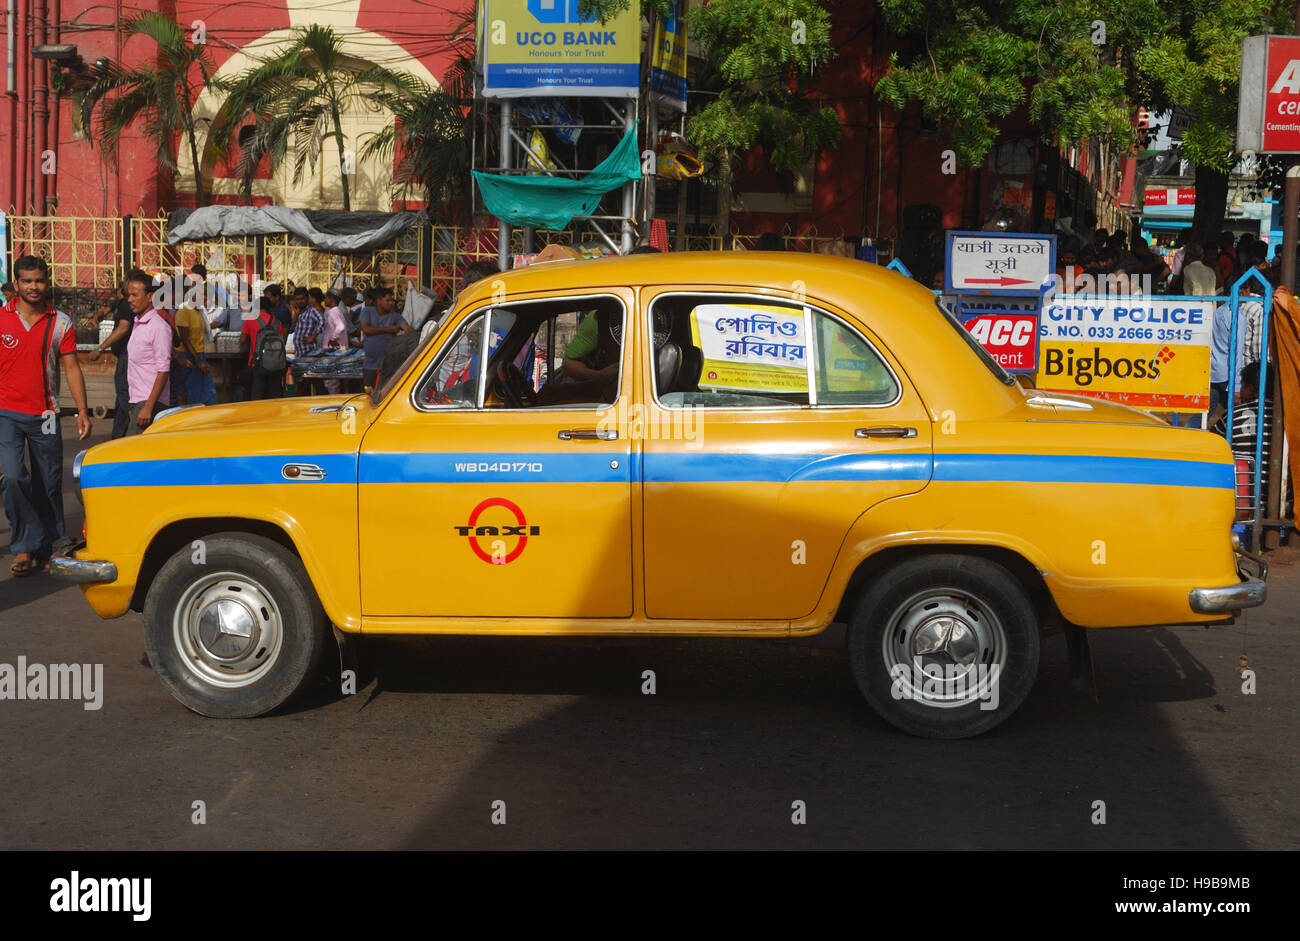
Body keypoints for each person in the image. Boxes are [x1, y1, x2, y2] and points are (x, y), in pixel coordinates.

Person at [0, 255, 91, 575]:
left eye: (38, 280)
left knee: (49, 482)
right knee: (12, 476)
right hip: (6, 413)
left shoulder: (61, 322)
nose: (33, 287)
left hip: (47, 414)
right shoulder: (0, 318)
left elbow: (71, 367)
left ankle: (50, 541)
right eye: (27, 281)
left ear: (47, 281)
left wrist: (82, 410)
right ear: (16, 285)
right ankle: (24, 545)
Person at [122, 269, 172, 434]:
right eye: (129, 295)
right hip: (139, 401)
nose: (130, 300)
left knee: (133, 456)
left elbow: (163, 369)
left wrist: (148, 407)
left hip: (151, 402)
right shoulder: (138, 323)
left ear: (150, 296)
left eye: (135, 295)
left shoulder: (158, 327)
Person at [88, 281, 135, 437]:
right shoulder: (120, 302)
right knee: (121, 397)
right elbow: (106, 309)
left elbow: (123, 328)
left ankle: (131, 428)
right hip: (123, 354)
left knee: (124, 393)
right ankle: (118, 434)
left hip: (127, 354)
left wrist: (100, 348)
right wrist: (98, 316)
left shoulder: (126, 305)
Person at [360, 286, 410, 390]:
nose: (391, 303)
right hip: (371, 366)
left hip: (388, 367)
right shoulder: (367, 311)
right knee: (369, 394)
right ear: (378, 301)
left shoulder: (396, 316)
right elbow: (366, 329)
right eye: (388, 300)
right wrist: (389, 329)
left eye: (392, 300)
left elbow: (408, 329)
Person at [240, 294, 289, 400]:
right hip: (276, 364)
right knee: (274, 394)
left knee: (257, 395)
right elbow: (282, 341)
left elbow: (242, 340)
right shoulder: (277, 322)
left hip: (257, 363)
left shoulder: (250, 320)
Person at [172, 293, 217, 406]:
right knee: (189, 391)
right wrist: (198, 361)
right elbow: (185, 339)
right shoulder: (184, 311)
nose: (206, 299)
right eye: (203, 296)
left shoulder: (199, 312)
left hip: (199, 354)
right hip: (188, 355)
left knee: (206, 391)